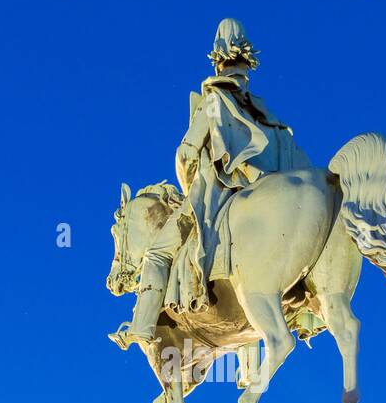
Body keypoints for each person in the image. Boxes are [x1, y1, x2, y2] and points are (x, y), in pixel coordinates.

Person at [110, 18, 312, 349]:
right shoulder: (269, 117)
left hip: (217, 192)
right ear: (247, 62)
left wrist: (191, 185)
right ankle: (303, 316)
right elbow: (297, 167)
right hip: (266, 194)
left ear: (217, 58)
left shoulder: (215, 101)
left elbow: (188, 154)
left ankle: (142, 327)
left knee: (158, 255)